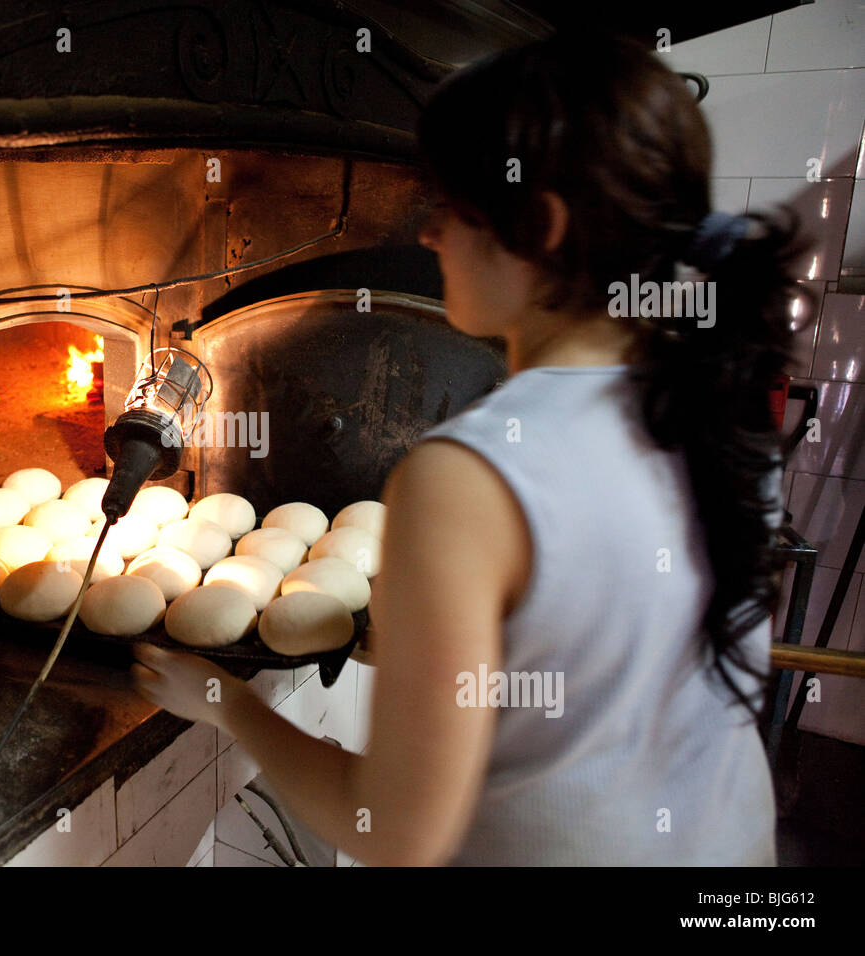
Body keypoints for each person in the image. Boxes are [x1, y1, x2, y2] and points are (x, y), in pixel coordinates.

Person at [130, 33, 803, 866]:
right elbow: (605, 638)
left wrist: (228, 705)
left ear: (542, 226)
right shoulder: (712, 401)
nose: (430, 236)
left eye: (453, 207)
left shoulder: (468, 477)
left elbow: (397, 833)